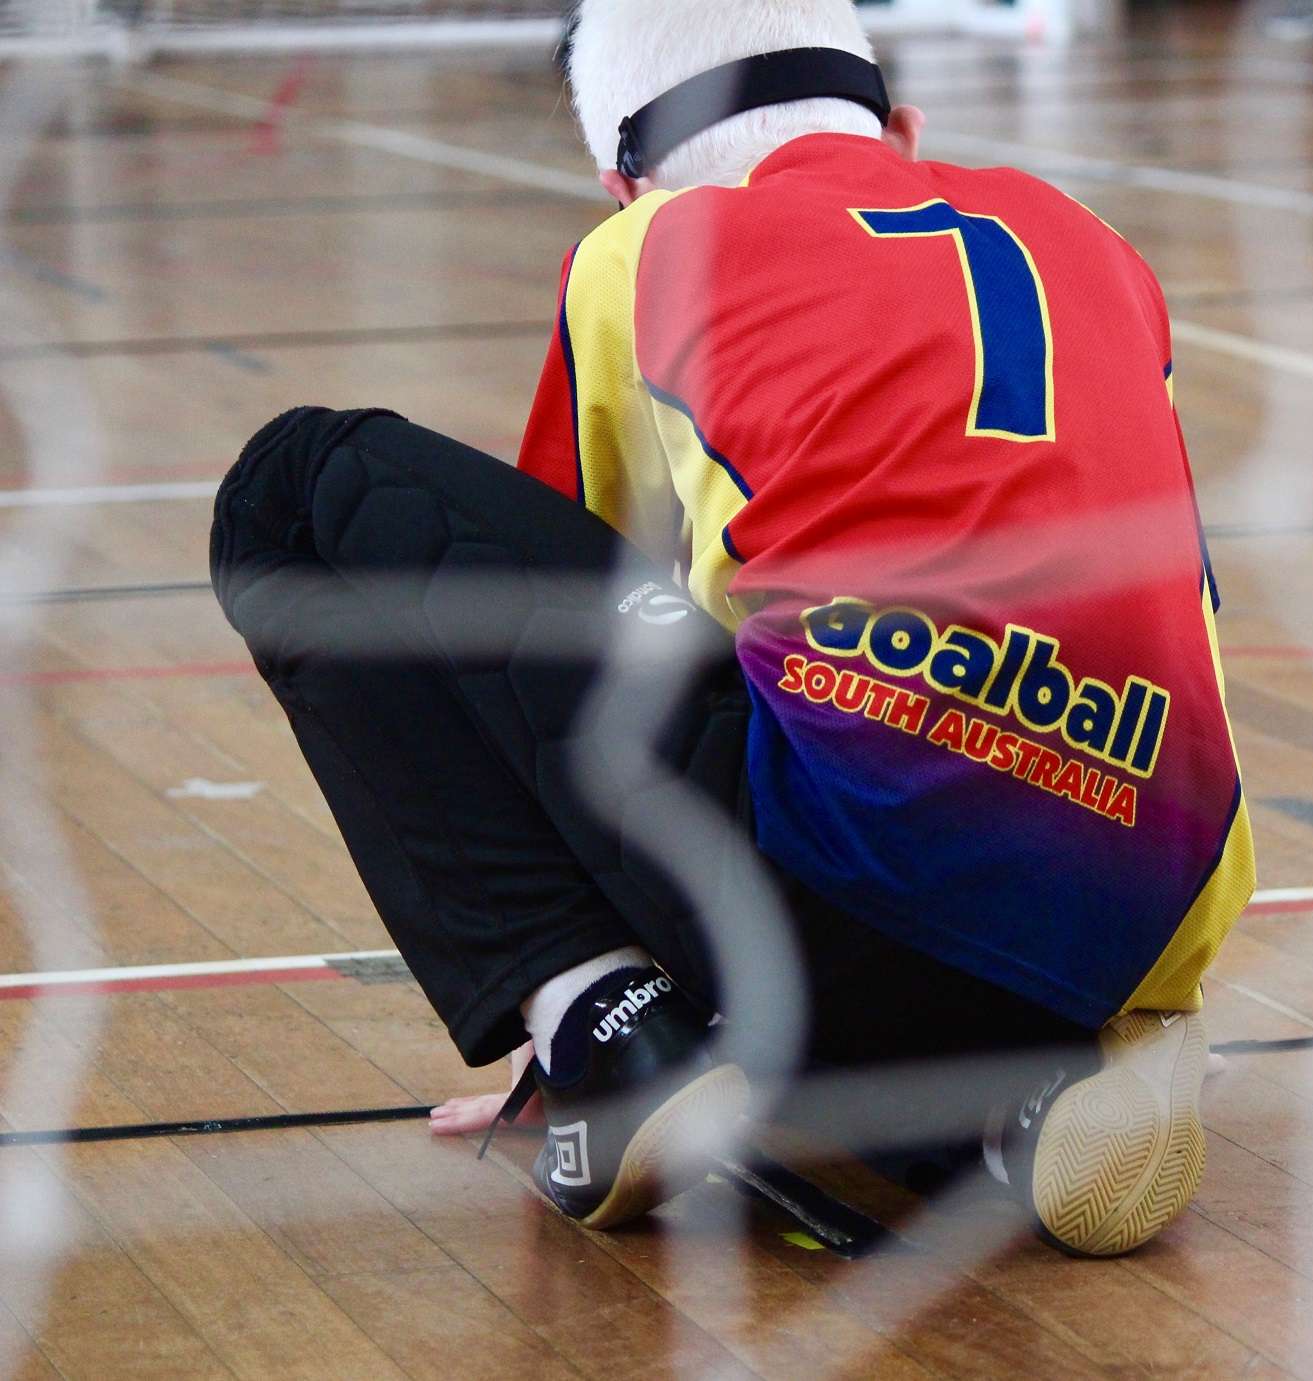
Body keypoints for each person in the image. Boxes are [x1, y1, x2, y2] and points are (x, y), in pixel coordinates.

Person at [209, 0, 1254, 1258]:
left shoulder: (644, 250)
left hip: (834, 908)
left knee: (293, 487)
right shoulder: (1091, 242)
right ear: (900, 129)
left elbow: (540, 655)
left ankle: (605, 1029)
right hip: (1139, 909)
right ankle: (1075, 1064)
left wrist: (541, 977)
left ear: (623, 186)